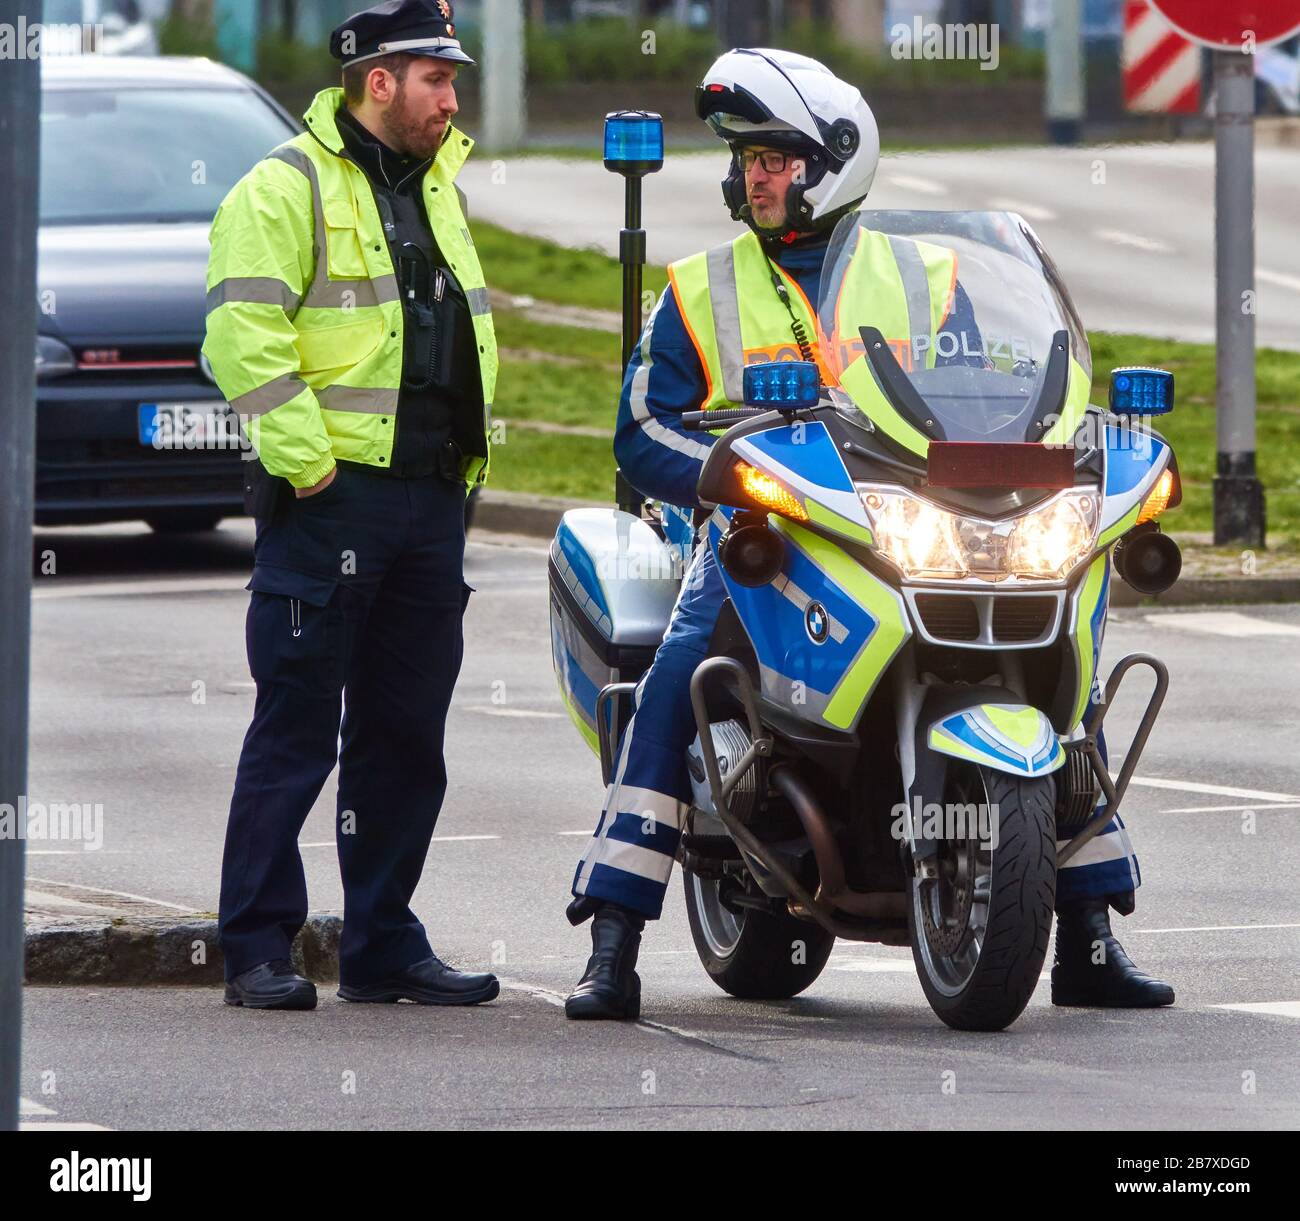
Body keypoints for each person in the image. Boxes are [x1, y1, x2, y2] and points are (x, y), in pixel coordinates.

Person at [564, 48, 1174, 1020]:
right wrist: (728, 475)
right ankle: (613, 937)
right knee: (684, 661)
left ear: (834, 161)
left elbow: (993, 384)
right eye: (749, 159)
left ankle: (1090, 935)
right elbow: (640, 432)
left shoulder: (929, 274)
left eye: (775, 157)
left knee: (1064, 663)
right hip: (760, 522)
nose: (753, 175)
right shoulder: (698, 287)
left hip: (900, 519)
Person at [204, 0, 500, 1010]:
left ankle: (380, 943)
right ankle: (254, 946)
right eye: (435, 79)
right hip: (332, 504)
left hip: (430, 501)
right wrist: (312, 466)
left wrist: (464, 472)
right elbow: (243, 340)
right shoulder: (282, 187)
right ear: (379, 80)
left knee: (406, 737)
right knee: (296, 728)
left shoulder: (437, 185)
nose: (450, 98)